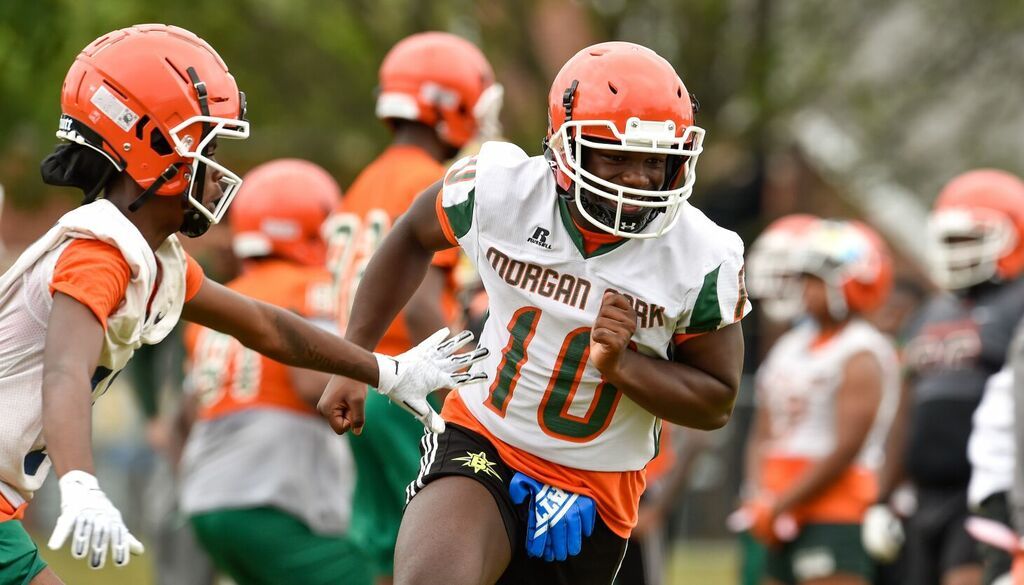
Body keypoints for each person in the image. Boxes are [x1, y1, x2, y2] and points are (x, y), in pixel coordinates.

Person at [0, 25, 484, 585]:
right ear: (154, 147)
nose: (216, 171)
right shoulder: (101, 253)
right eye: (208, 147)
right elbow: (64, 369)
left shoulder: (154, 260)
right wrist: (81, 482)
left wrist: (383, 369)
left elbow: (267, 327)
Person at [319, 41, 749, 585]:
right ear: (566, 148)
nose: (639, 178)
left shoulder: (701, 255)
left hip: (596, 482)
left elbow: (716, 399)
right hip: (485, 440)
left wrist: (622, 366)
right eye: (616, 156)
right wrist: (354, 358)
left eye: (654, 160)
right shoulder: (502, 190)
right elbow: (411, 235)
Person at [323, 31, 501, 585]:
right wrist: (466, 393)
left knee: (390, 554)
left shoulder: (364, 182)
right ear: (450, 105)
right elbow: (421, 306)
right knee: (449, 547)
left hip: (367, 380)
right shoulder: (430, 181)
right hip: (410, 387)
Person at [176, 158, 372, 585]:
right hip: (270, 494)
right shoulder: (309, 286)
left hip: (206, 496)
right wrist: (385, 383)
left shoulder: (222, 300)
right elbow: (313, 383)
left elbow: (188, 412)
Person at [868, 169, 1024, 585]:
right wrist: (881, 498)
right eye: (951, 240)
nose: (958, 251)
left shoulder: (1017, 304)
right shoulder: (931, 312)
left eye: (970, 239)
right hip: (924, 493)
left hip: (983, 492)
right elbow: (905, 407)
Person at [742, 220, 899, 585]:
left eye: (815, 279)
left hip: (834, 509)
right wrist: (758, 495)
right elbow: (762, 433)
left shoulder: (861, 350)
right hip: (777, 504)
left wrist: (780, 502)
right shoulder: (788, 346)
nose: (805, 289)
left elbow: (845, 447)